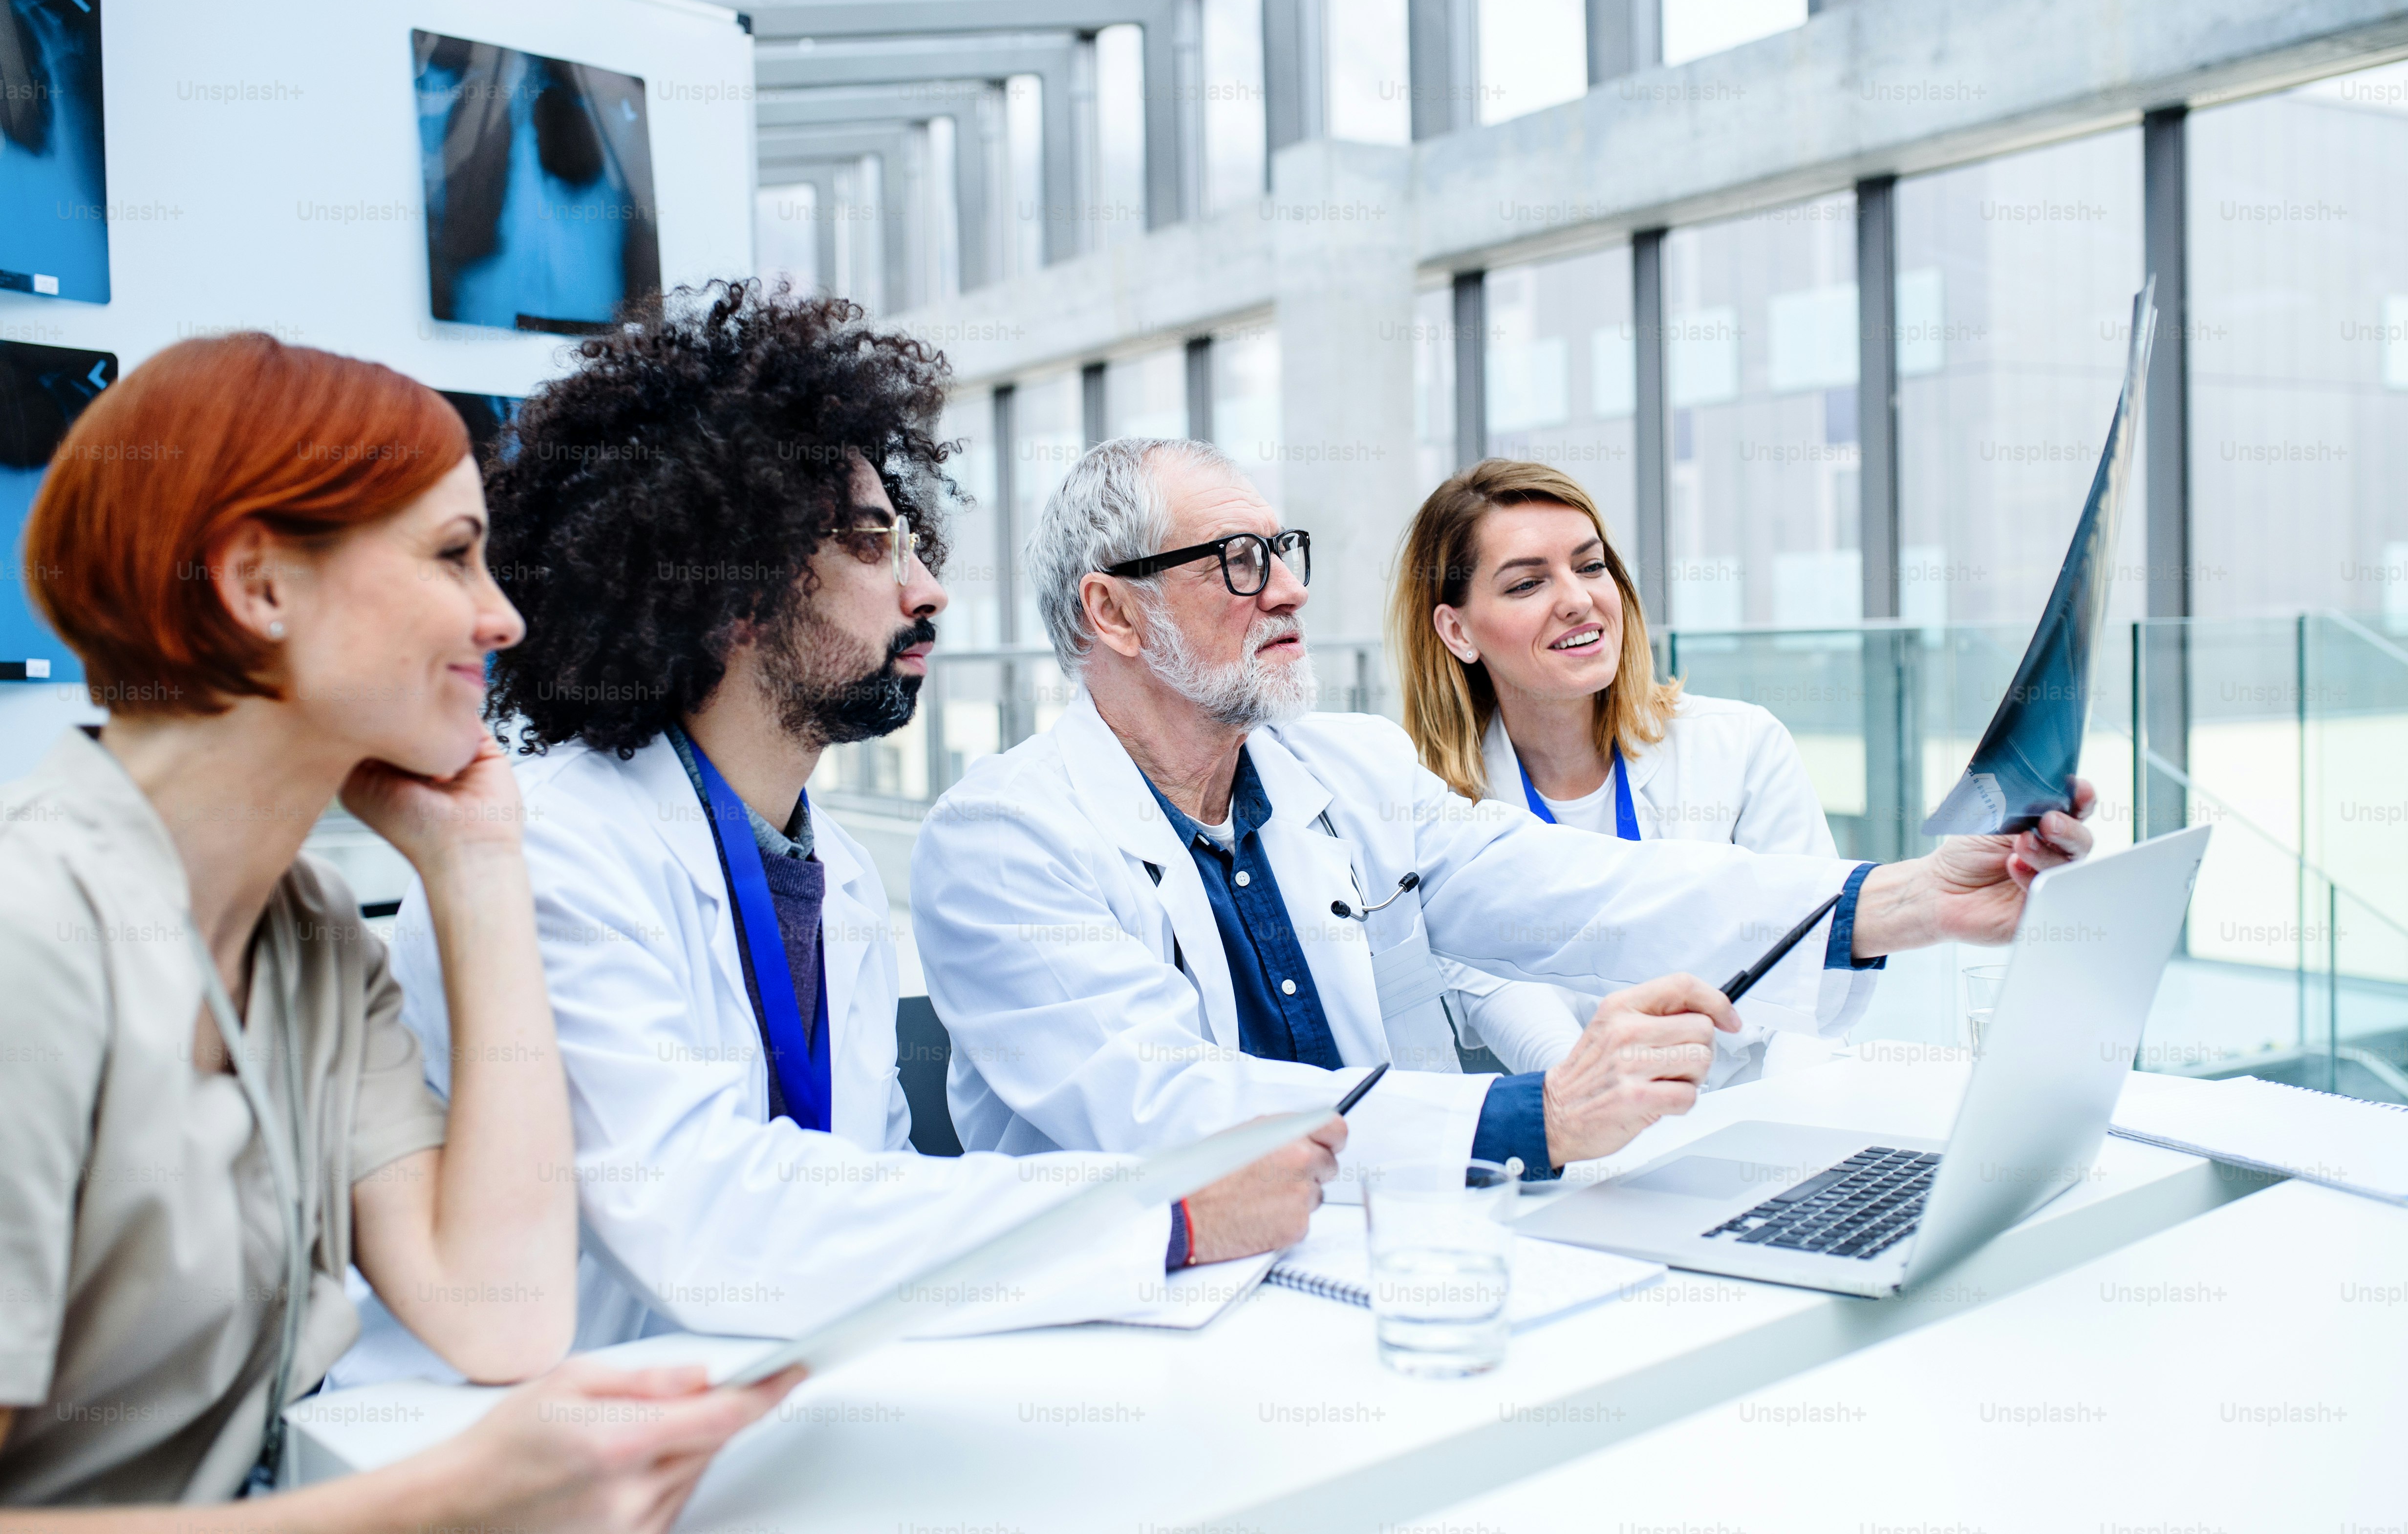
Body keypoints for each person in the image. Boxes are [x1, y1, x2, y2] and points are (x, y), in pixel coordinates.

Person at [337, 284, 1339, 1386]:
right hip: (527, 1450)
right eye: (872, 548)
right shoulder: (557, 848)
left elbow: (874, 1189)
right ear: (736, 584)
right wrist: (1164, 1215)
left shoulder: (838, 873)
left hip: (759, 1419)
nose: (931, 591)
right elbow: (713, 1221)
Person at [0, 334, 796, 1526]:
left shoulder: (312, 935)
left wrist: (477, 864)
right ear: (260, 585)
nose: (504, 619)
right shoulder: (31, 936)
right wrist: (449, 1500)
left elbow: (504, 1306)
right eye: (454, 558)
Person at [911, 437, 2097, 1185]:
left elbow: (1580, 892)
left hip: (1384, 1255)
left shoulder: (1351, 769)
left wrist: (1908, 898)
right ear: (1113, 616)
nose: (1290, 587)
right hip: (1156, 1328)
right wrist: (1533, 1115)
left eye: (1285, 549)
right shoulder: (1004, 840)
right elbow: (1167, 1108)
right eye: (1238, 560)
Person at [1392, 456, 1869, 1080]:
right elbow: (1538, 1039)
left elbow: (1816, 964)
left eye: (1590, 567)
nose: (1578, 599)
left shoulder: (1741, 745)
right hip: (1586, 1138)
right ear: (1456, 631)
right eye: (1526, 584)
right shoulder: (1433, 814)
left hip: (1757, 1115)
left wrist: (1784, 1138)